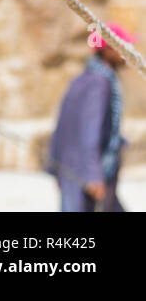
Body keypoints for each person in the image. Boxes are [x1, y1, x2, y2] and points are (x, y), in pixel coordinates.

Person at [47, 23, 136, 212]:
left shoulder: (87, 78)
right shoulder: (99, 83)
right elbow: (90, 130)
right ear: (108, 51)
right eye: (123, 46)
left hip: (75, 168)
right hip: (82, 173)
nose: (128, 52)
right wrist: (93, 175)